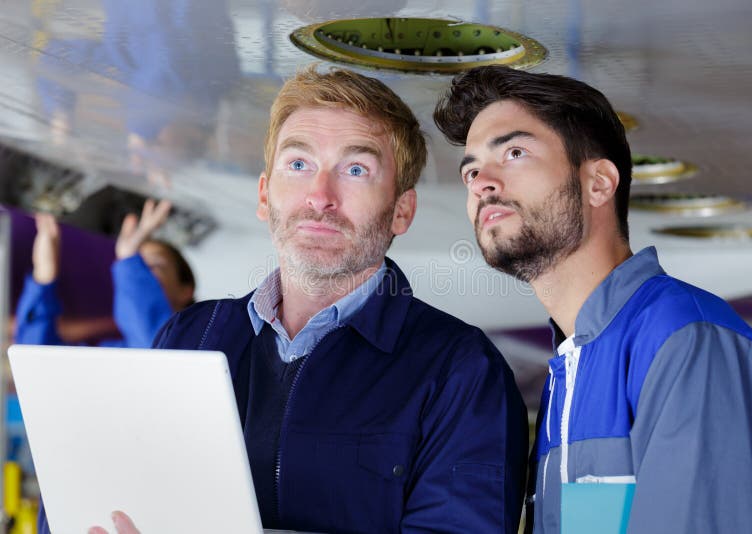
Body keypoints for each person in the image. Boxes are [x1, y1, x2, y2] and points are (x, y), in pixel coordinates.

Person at [83, 66, 529, 534]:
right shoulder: (189, 336)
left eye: (356, 170)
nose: (320, 196)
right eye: (298, 164)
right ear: (263, 194)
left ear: (401, 210)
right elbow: (97, 495)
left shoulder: (461, 372)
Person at [433, 65, 752, 534]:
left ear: (599, 183)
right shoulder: (572, 367)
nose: (482, 181)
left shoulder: (688, 342)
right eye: (471, 171)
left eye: (515, 152)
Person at [15, 199, 195, 348]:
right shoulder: (122, 353)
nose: (140, 273)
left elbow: (156, 345)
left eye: (155, 266)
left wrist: (128, 259)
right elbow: (40, 362)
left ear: (185, 291)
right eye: (139, 266)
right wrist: (43, 277)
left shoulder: (198, 341)